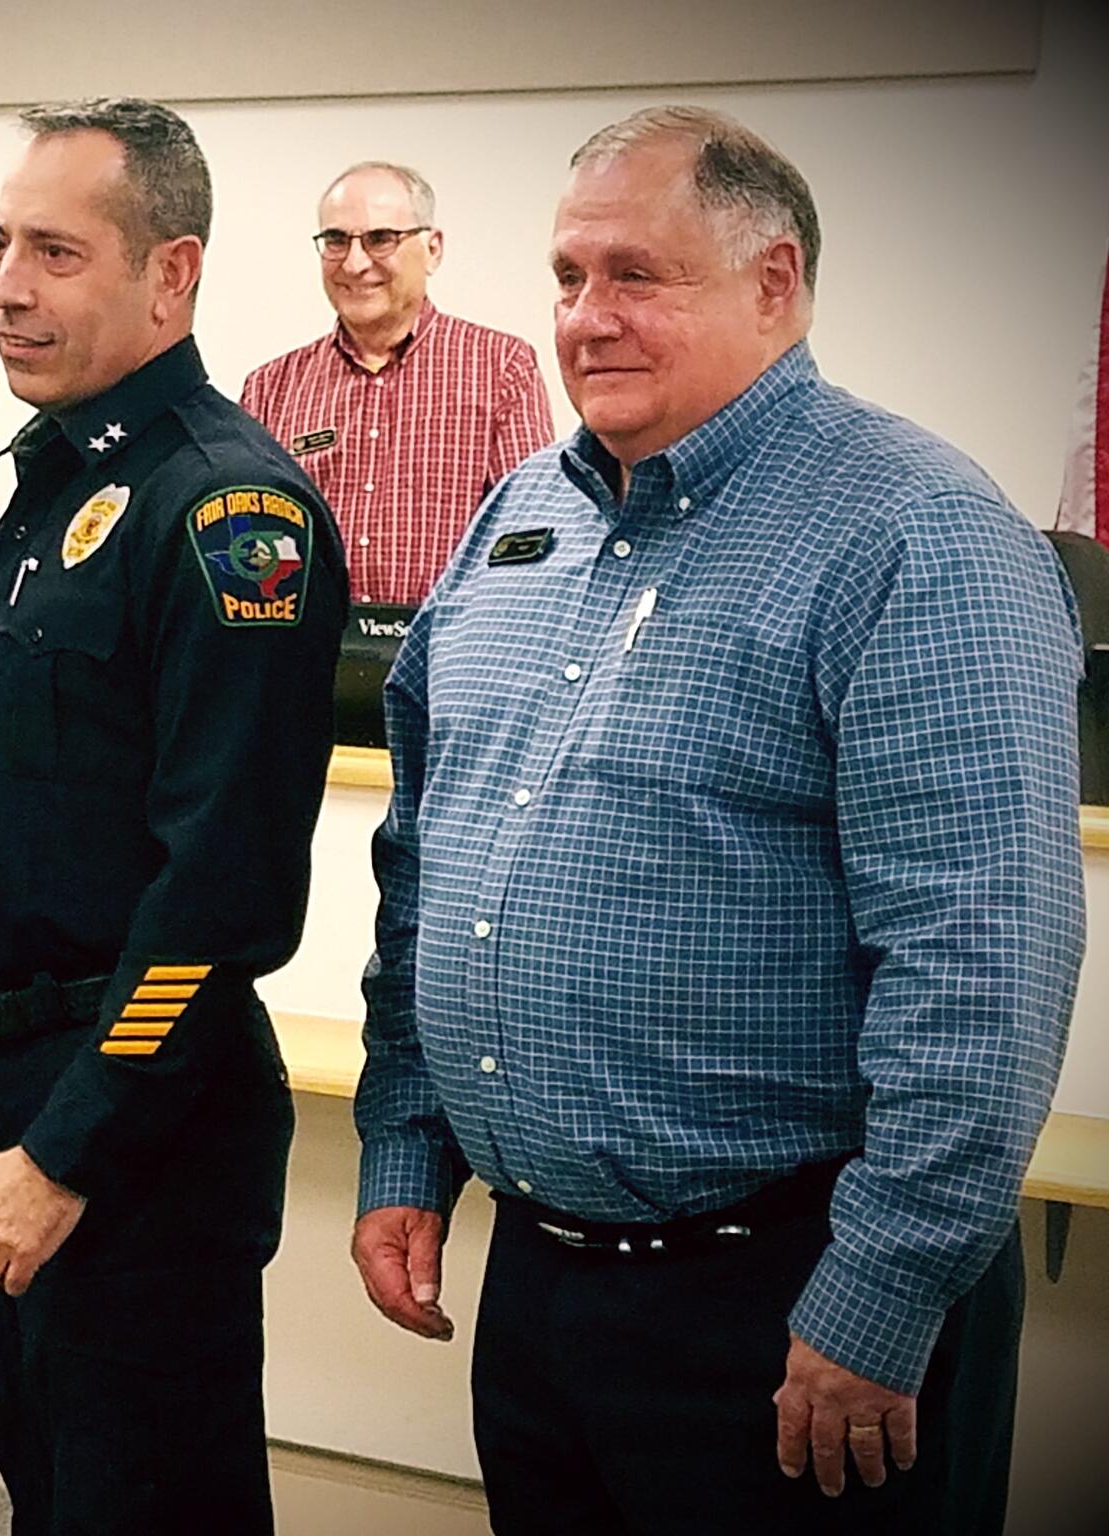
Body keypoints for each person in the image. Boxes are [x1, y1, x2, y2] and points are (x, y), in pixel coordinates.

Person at [352, 105, 1085, 1535]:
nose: (587, 317)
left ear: (775, 284)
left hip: (795, 1303)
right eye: (566, 277)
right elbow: (426, 873)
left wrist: (880, 1293)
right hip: (545, 1290)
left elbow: (980, 966)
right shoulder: (522, 519)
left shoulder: (918, 536)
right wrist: (410, 1146)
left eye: (638, 274)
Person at [0, 98, 346, 1535]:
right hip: (32, 1087)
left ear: (169, 274)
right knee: (58, 1492)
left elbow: (221, 895)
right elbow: (18, 856)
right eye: (2, 243)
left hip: (148, 1118)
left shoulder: (225, 512)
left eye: (57, 252)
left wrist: (71, 1147)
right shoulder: (51, 493)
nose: (7, 283)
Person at [240, 160, 552, 607]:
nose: (355, 262)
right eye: (335, 240)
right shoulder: (271, 388)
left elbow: (530, 535)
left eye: (380, 239)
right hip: (306, 663)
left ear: (433, 249)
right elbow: (248, 542)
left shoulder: (501, 367)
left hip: (445, 660)